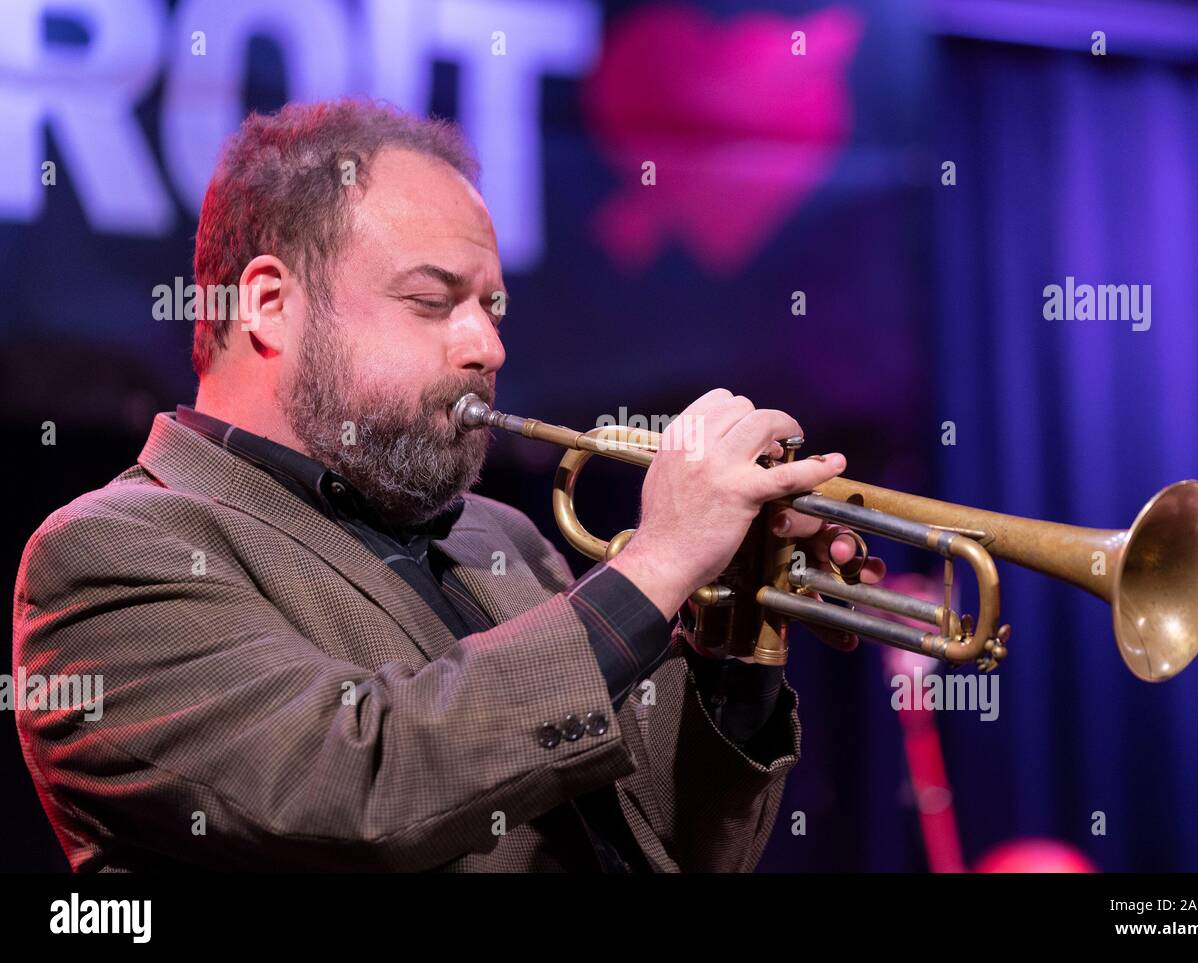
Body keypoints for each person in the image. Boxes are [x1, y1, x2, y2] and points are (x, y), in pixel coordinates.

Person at [12, 98, 880, 872]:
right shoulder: (110, 554)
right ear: (270, 303)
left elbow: (679, 846)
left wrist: (730, 641)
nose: (488, 348)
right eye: (434, 302)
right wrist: (657, 565)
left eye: (492, 308)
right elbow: (356, 786)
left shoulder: (498, 538)